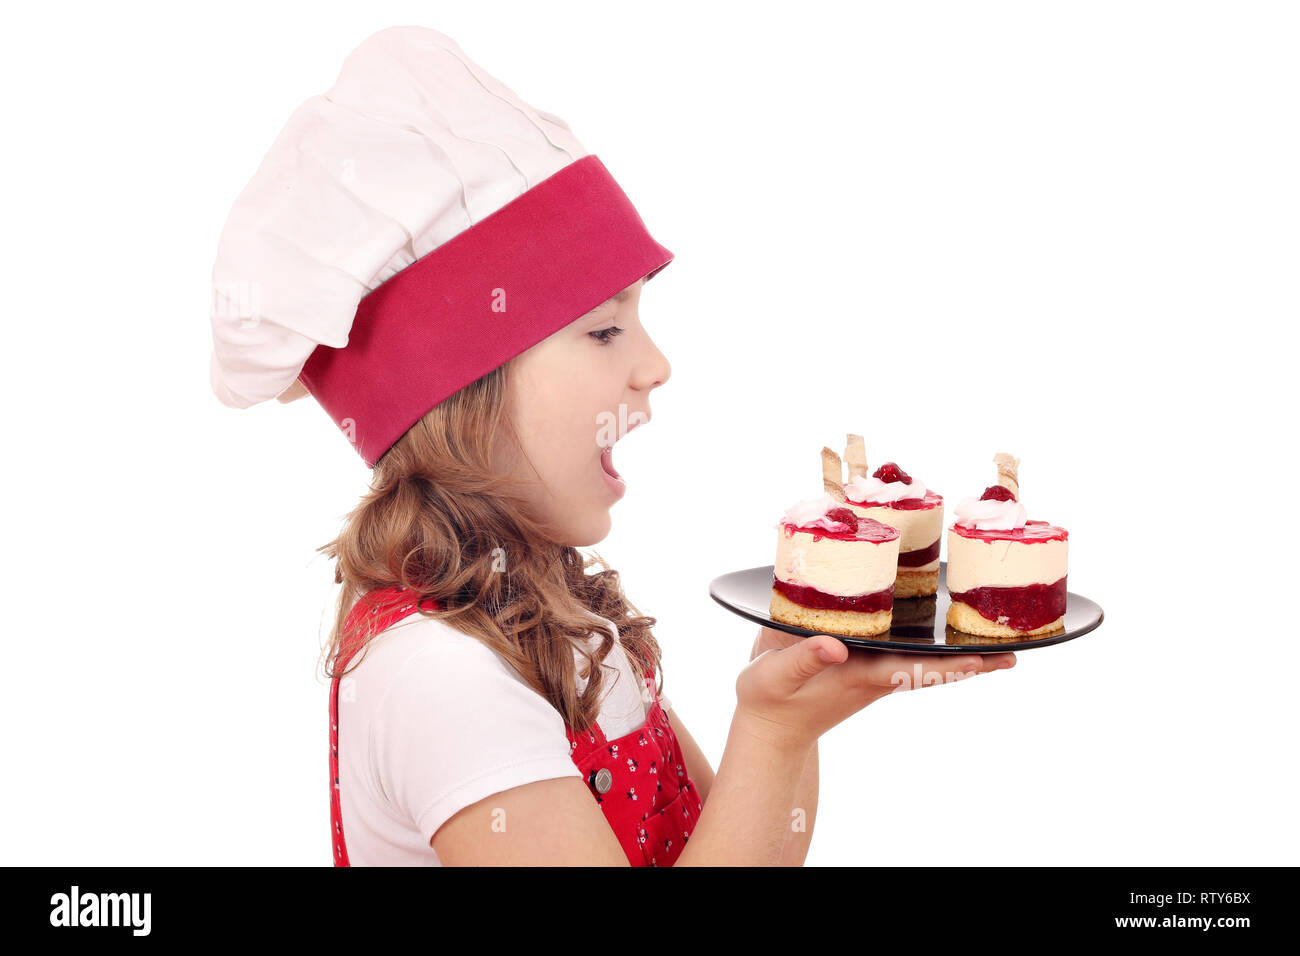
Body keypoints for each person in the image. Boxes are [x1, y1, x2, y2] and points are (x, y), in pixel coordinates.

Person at [209, 25, 1015, 867]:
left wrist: (784, 712)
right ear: (461, 391)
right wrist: (774, 734)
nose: (655, 365)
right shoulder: (442, 678)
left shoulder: (564, 623)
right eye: (602, 331)